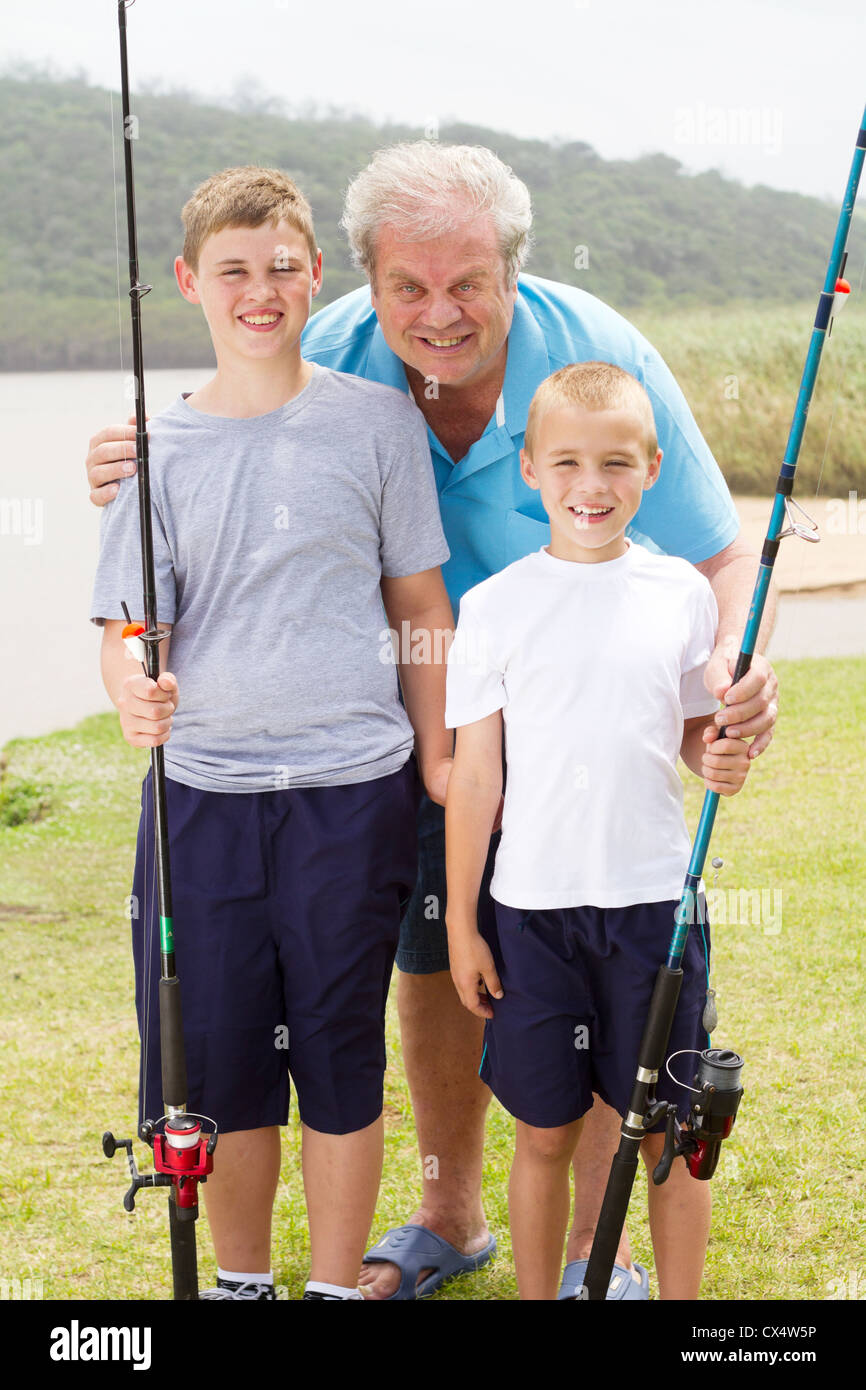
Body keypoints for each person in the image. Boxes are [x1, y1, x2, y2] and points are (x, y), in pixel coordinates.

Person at [85, 142, 778, 1301]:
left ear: (512, 272)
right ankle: (448, 1213)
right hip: (404, 726)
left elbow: (714, 555)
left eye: (468, 283)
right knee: (423, 953)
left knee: (600, 950)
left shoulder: (602, 358)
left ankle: (581, 1264)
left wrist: (717, 683)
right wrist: (130, 457)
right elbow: (216, 475)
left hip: (573, 727)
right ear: (361, 280)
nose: (438, 312)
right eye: (407, 285)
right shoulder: (334, 354)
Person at [90, 166, 453, 1300]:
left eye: (282, 268)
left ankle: (336, 1286)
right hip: (198, 799)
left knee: (340, 1049)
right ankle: (241, 1282)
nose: (261, 290)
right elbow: (128, 627)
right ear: (191, 282)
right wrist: (127, 686)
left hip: (352, 794)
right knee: (223, 1061)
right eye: (235, 271)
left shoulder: (381, 423)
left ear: (312, 279)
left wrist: (436, 760)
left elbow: (420, 612)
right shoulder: (156, 450)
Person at [445, 362, 751, 1299]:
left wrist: (722, 758)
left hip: (656, 907)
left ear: (653, 467)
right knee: (542, 1131)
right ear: (529, 469)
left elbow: (699, 738)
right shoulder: (491, 608)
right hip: (532, 913)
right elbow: (476, 780)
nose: (592, 485)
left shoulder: (681, 595)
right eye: (568, 461)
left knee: (664, 1131)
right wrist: (462, 924)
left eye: (616, 462)